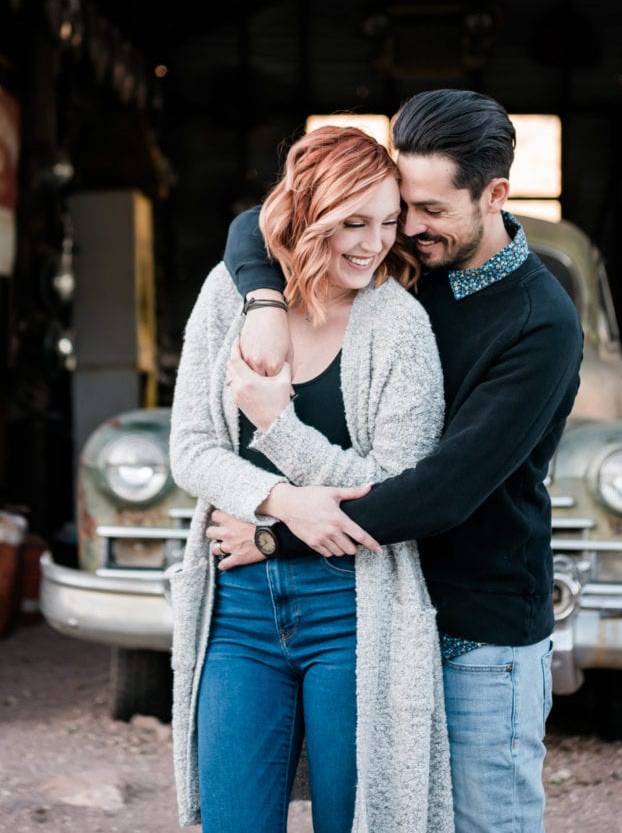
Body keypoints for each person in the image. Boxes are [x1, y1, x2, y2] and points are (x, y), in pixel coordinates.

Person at [212, 89, 585, 833]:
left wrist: (273, 532)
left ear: (495, 196)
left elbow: (438, 494)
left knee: (486, 825)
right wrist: (262, 300)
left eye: (431, 211)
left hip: (477, 632)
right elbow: (258, 224)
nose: (406, 230)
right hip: (378, 612)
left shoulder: (539, 322)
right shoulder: (403, 265)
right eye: (399, 206)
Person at [168, 124, 455, 833]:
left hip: (354, 610)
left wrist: (278, 427)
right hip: (235, 615)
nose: (372, 243)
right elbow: (191, 449)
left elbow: (393, 490)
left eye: (388, 223)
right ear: (308, 216)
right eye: (352, 222)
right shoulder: (229, 298)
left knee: (357, 820)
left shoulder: (399, 328)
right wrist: (281, 501)